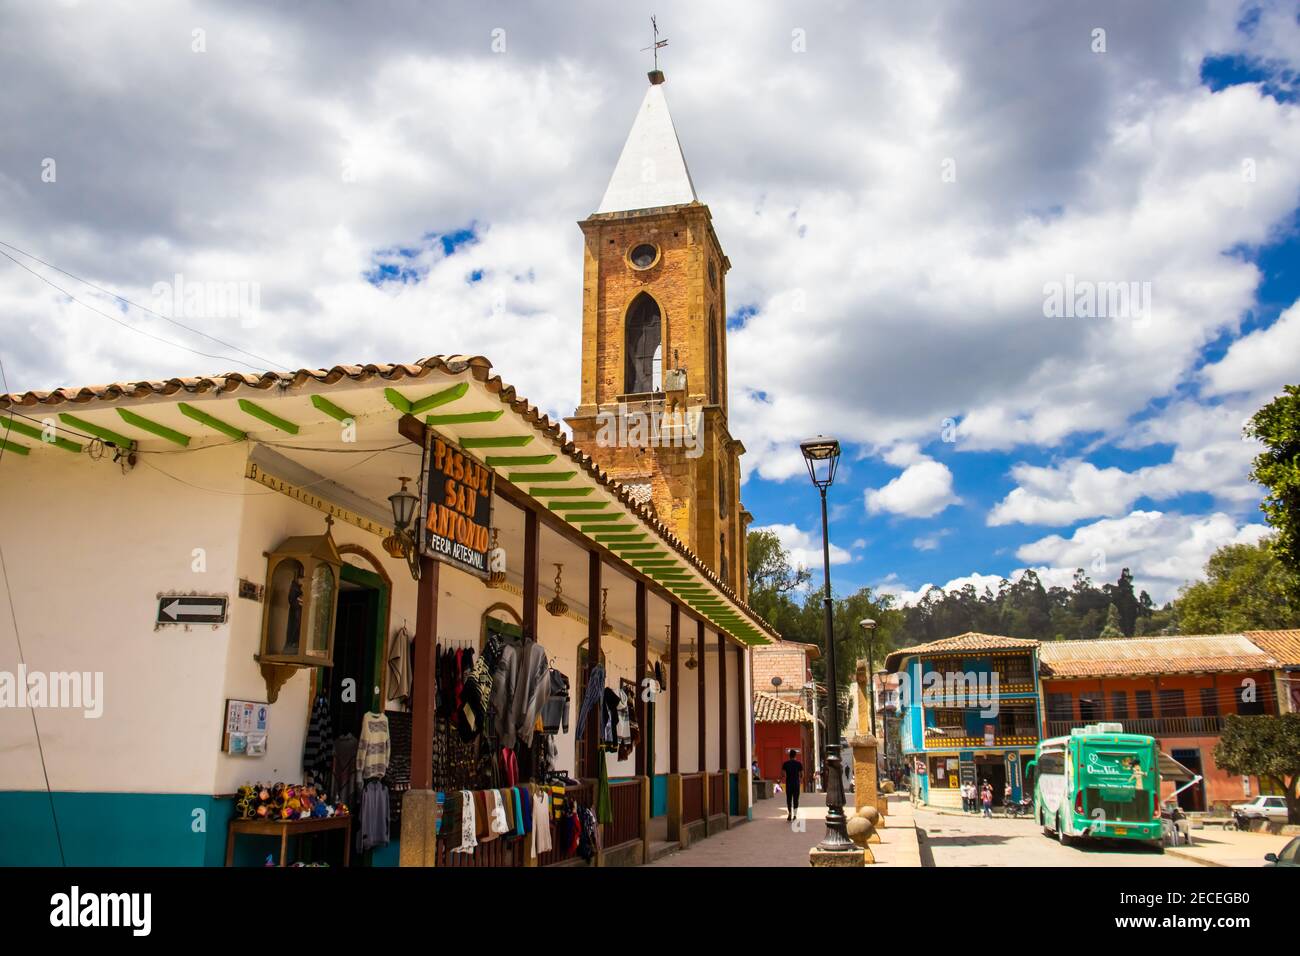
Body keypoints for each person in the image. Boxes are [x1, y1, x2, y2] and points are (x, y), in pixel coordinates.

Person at [781, 749, 803, 821]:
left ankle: (790, 814)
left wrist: (786, 775)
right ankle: (795, 815)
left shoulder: (785, 764)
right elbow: (802, 775)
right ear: (795, 755)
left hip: (789, 784)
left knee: (789, 799)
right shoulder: (799, 764)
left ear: (789, 755)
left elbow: (783, 774)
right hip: (796, 783)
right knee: (796, 799)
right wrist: (799, 777)